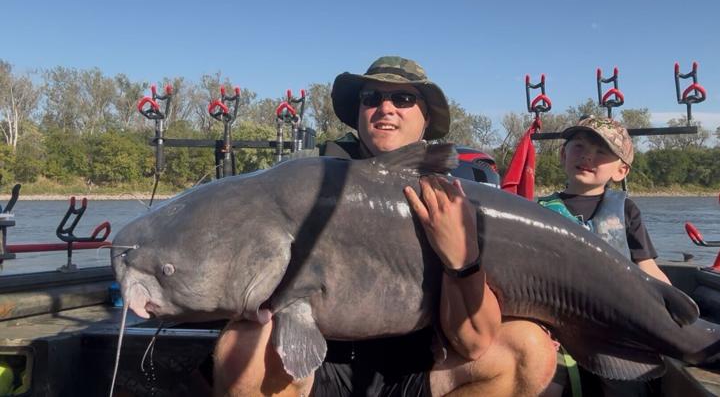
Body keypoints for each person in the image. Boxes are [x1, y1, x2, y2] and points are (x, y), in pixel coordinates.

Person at [212, 56, 557, 396]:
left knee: (529, 351)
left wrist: (462, 262)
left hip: (420, 367)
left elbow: (473, 342)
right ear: (359, 112)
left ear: (426, 118)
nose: (386, 108)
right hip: (326, 362)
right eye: (372, 98)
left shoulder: (451, 199)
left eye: (403, 98)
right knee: (240, 348)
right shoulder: (307, 186)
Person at [537, 116, 669, 396]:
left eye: (601, 152)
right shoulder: (538, 211)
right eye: (579, 147)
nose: (587, 156)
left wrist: (676, 309)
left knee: (627, 386)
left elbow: (647, 266)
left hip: (615, 327)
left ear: (621, 170)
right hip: (556, 328)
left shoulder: (627, 211)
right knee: (547, 384)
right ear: (563, 155)